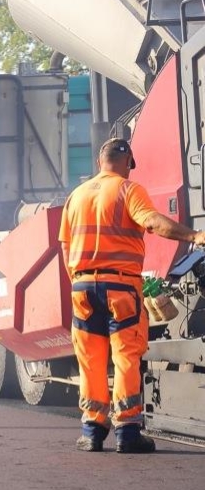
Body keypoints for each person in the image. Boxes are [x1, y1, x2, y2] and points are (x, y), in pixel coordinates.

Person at [59, 138, 205, 453]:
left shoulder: (76, 195)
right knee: (125, 356)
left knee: (91, 360)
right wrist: (193, 236)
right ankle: (127, 431)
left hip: (82, 289)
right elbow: (152, 222)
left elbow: (65, 246)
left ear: (101, 161)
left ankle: (92, 431)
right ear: (127, 164)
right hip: (120, 288)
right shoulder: (127, 190)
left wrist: (80, 279)